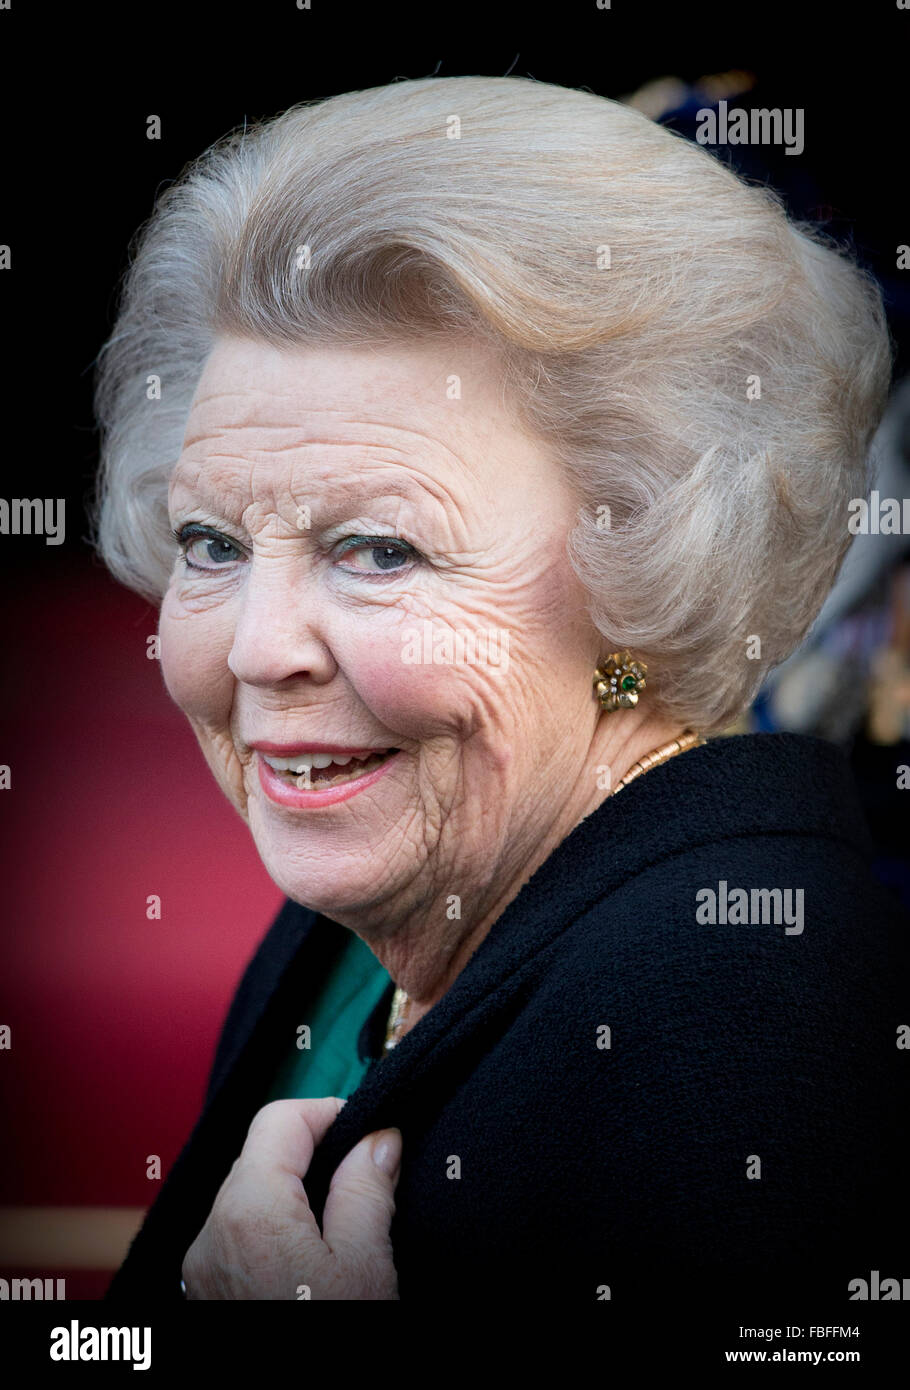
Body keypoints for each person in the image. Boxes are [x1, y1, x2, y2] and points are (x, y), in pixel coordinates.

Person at [93, 75, 907, 1304]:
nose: (260, 650)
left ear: (644, 571)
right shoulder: (372, 912)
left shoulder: (738, 1028)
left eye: (380, 549)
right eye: (212, 541)